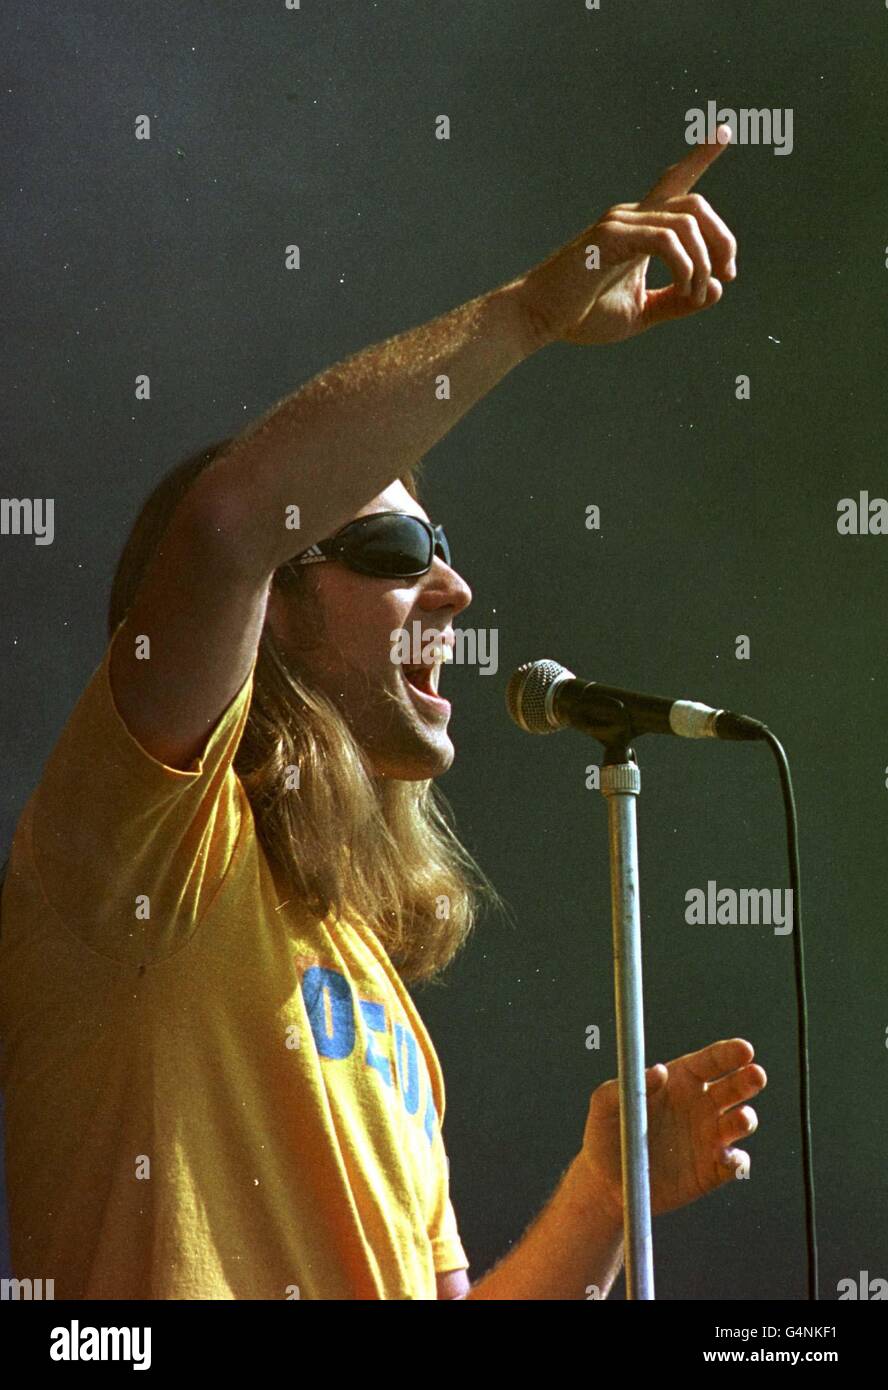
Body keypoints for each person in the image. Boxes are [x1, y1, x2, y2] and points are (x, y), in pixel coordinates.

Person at [0, 126, 766, 1300]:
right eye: (399, 548)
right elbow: (227, 525)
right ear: (272, 608)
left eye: (445, 549)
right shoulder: (144, 850)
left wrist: (604, 1200)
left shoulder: (378, 994)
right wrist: (532, 311)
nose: (455, 586)